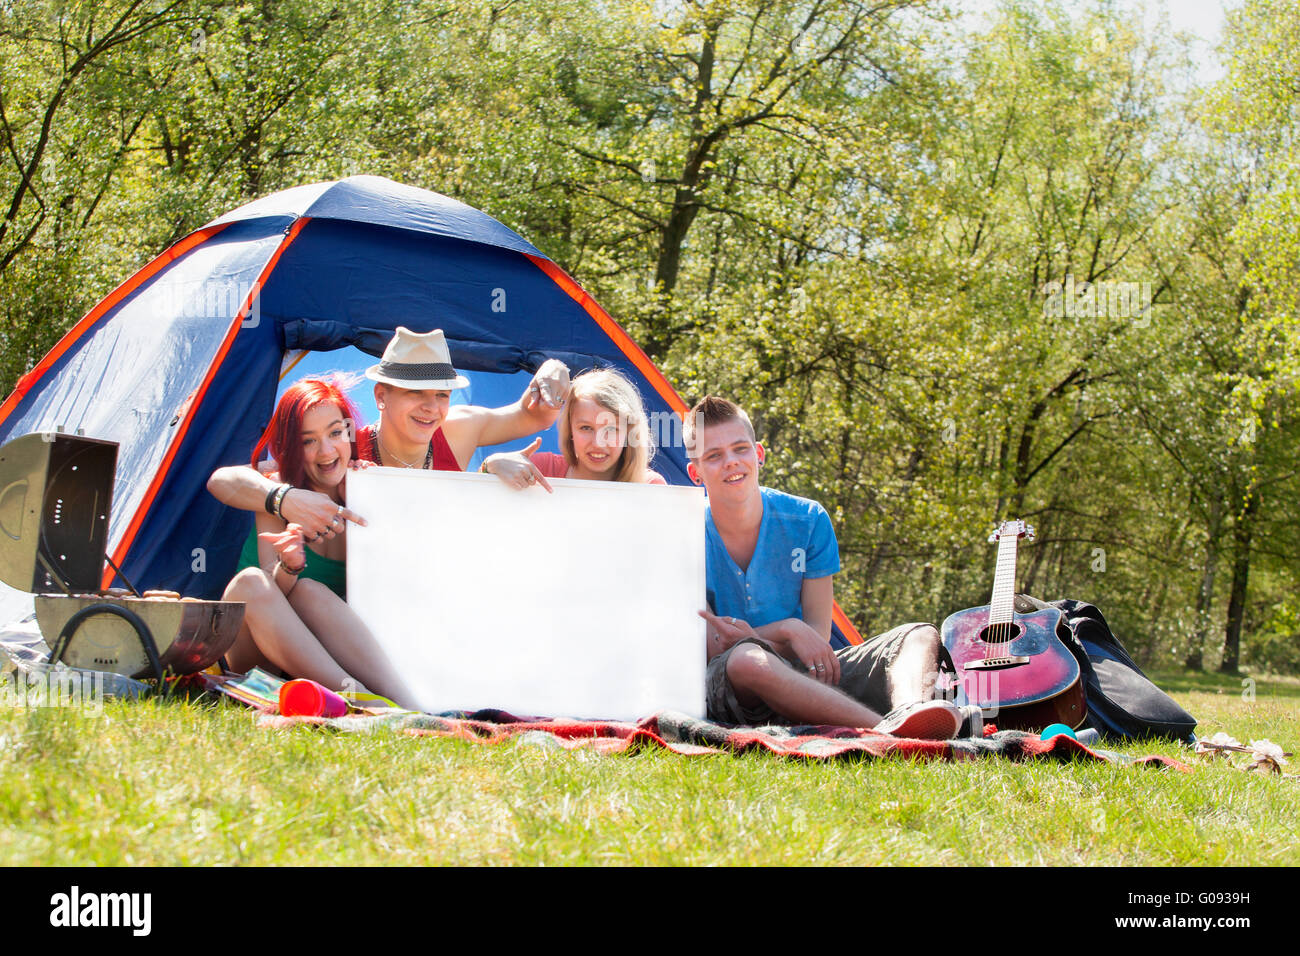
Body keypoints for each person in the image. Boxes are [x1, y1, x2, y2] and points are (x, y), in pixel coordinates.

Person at [685, 396, 973, 739]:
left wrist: (780, 634)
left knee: (918, 634)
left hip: (808, 675)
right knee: (746, 658)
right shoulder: (683, 531)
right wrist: (788, 628)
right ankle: (887, 732)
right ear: (695, 472)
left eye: (740, 449)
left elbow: (817, 638)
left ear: (759, 454)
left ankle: (912, 711)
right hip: (737, 684)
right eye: (714, 456)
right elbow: (716, 646)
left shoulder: (809, 520)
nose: (731, 462)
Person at [210, 326, 573, 538]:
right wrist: (283, 499)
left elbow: (535, 417)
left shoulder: (458, 429)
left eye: (441, 395)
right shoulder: (344, 448)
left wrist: (552, 367)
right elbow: (226, 480)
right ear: (381, 395)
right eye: (416, 394)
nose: (431, 408)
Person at [207, 379, 411, 704]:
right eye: (308, 441)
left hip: (328, 651)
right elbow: (220, 480)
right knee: (252, 583)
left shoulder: (365, 487)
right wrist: (289, 563)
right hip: (259, 656)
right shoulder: (279, 490)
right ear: (292, 447)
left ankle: (407, 703)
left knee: (312, 591)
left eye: (334, 433)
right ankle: (362, 701)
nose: (326, 451)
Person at [489, 368, 667, 485]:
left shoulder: (650, 485)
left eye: (611, 430)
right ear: (570, 430)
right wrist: (491, 465)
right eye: (586, 428)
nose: (598, 443)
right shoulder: (542, 469)